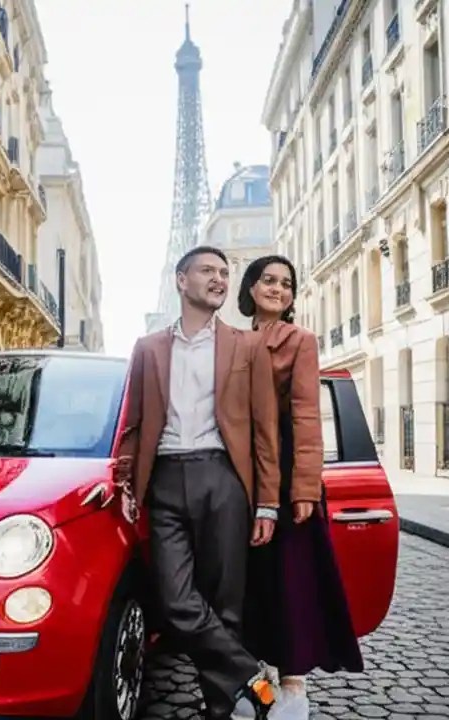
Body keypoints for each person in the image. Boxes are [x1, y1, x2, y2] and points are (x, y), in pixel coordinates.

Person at [116, 245, 283, 720]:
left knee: (225, 602)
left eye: (224, 273)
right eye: (208, 270)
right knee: (173, 600)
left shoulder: (246, 346)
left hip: (223, 477)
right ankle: (249, 674)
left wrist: (267, 504)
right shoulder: (148, 348)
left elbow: (264, 430)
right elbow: (133, 424)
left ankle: (220, 709)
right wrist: (128, 485)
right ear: (181, 279)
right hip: (164, 480)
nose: (219, 279)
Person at [236, 255, 365, 720]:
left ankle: (294, 688)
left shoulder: (299, 340)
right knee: (254, 586)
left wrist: (305, 488)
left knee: (292, 583)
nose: (278, 289)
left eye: (286, 284)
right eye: (268, 280)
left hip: (290, 472)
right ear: (250, 287)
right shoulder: (234, 341)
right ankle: (262, 686)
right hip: (244, 474)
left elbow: (308, 417)